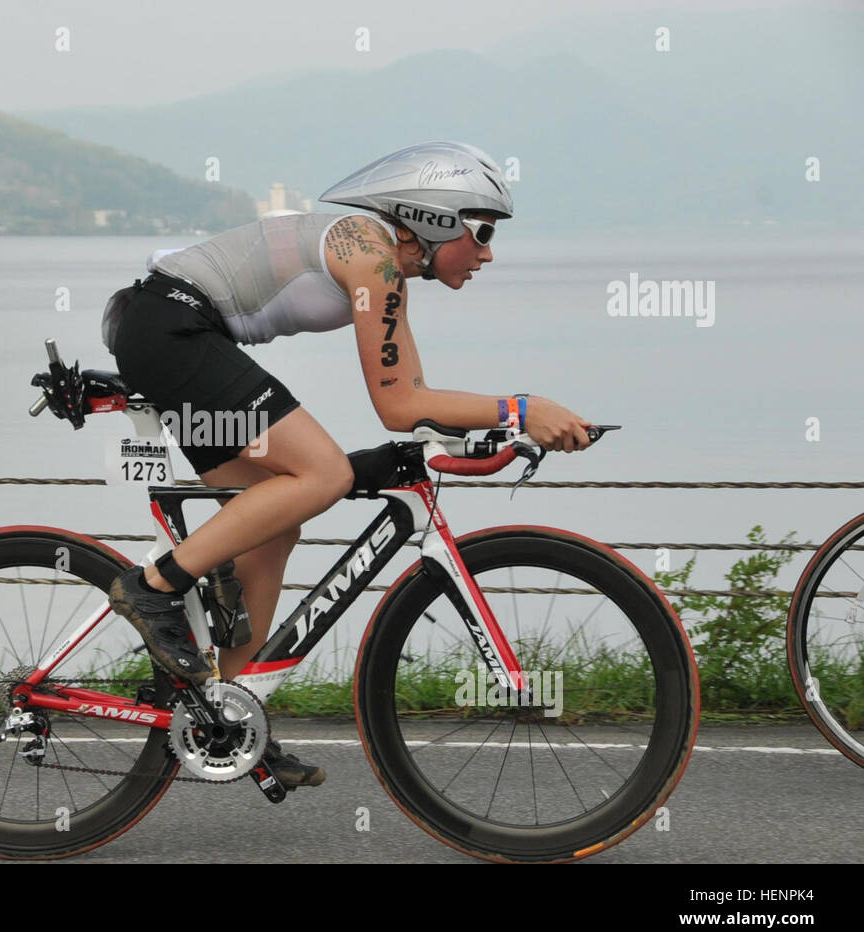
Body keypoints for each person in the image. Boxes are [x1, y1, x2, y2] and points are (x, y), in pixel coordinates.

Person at [103, 140, 592, 789]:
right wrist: (521, 406)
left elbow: (414, 403)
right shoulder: (372, 257)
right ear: (436, 217)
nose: (487, 252)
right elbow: (399, 405)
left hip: (175, 332)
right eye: (481, 231)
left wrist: (505, 420)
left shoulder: (384, 267)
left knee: (275, 523)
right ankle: (152, 585)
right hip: (172, 328)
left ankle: (227, 712)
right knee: (324, 474)